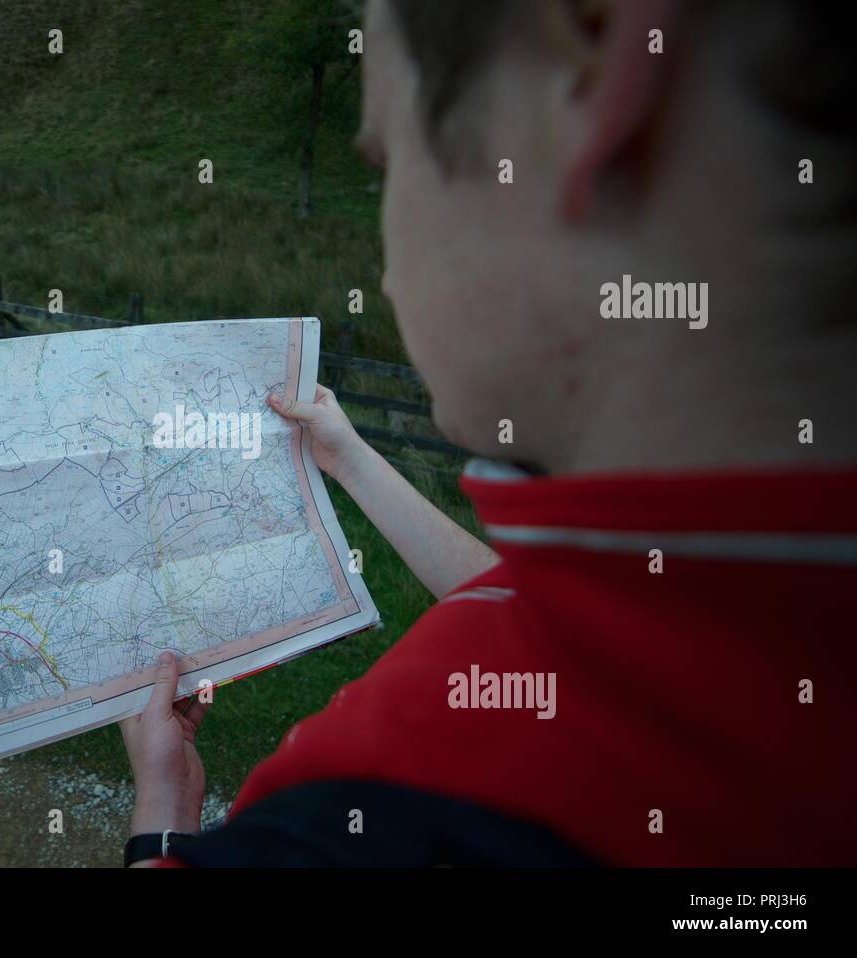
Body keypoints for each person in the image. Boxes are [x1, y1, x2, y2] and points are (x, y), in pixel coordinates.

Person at [119, 0, 857, 866]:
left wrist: (163, 817)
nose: (388, 275)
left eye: (386, 161)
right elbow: (541, 604)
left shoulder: (379, 819)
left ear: (589, 54)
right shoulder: (751, 621)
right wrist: (350, 458)